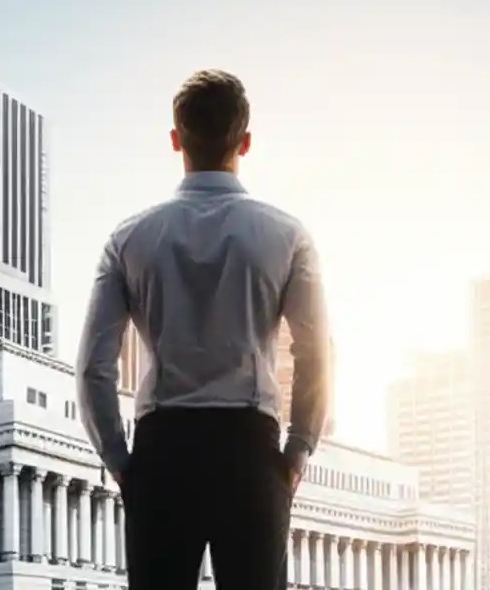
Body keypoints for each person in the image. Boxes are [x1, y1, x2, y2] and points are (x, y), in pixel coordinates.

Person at [76, 69, 332, 590]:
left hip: (162, 449)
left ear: (176, 140)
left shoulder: (128, 238)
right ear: (246, 141)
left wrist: (119, 459)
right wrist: (298, 448)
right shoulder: (288, 235)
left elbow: (93, 367)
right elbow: (316, 354)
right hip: (250, 450)